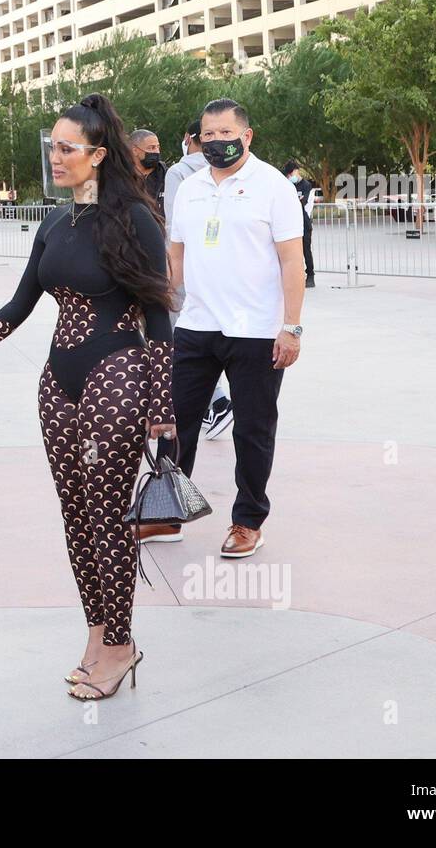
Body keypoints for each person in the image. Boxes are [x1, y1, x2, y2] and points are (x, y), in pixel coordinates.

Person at [0, 93, 176, 701]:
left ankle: (123, 644)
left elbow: (158, 316)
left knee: (106, 518)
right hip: (58, 383)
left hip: (117, 377)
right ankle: (98, 631)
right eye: (52, 145)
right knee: (76, 517)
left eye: (66, 147)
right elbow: (20, 305)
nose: (55, 155)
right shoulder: (53, 223)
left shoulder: (136, 219)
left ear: (99, 155)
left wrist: (161, 406)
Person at [165, 98, 305, 558]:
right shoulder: (190, 188)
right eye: (208, 135)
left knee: (252, 429)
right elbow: (177, 258)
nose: (216, 142)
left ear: (246, 136)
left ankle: (247, 521)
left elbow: (292, 261)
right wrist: (160, 307)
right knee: (175, 422)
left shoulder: (273, 187)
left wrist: (292, 327)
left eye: (226, 134)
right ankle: (168, 510)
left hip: (257, 331)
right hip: (196, 325)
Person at [161, 118, 233, 454]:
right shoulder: (228, 169)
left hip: (186, 273)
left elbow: (176, 228)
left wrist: (169, 279)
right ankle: (216, 404)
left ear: (187, 139)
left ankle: (216, 405)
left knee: (180, 342)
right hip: (219, 283)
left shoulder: (178, 173)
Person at [282, 160, 316, 288]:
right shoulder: (287, 185)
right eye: (288, 175)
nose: (290, 177)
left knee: (306, 250)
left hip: (304, 222)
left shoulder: (306, 185)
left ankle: (311, 275)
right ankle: (295, 275)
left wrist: (294, 201)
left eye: (291, 174)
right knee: (292, 251)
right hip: (290, 223)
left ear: (297, 171)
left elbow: (303, 201)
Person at [130, 129, 166, 212]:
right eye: (151, 148)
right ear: (135, 150)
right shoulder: (121, 177)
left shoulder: (167, 176)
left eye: (158, 147)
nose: (157, 152)